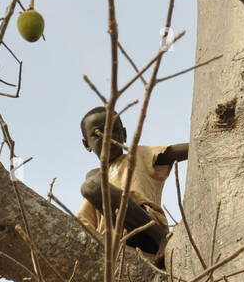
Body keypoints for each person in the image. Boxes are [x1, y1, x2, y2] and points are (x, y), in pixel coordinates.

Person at [75, 107, 188, 267]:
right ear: (87, 144)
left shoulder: (139, 155)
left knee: (92, 186)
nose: (107, 136)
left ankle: (162, 237)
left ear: (125, 134)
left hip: (145, 228)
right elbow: (84, 220)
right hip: (115, 241)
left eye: (113, 130)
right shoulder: (95, 176)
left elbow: (183, 150)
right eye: (98, 133)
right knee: (92, 185)